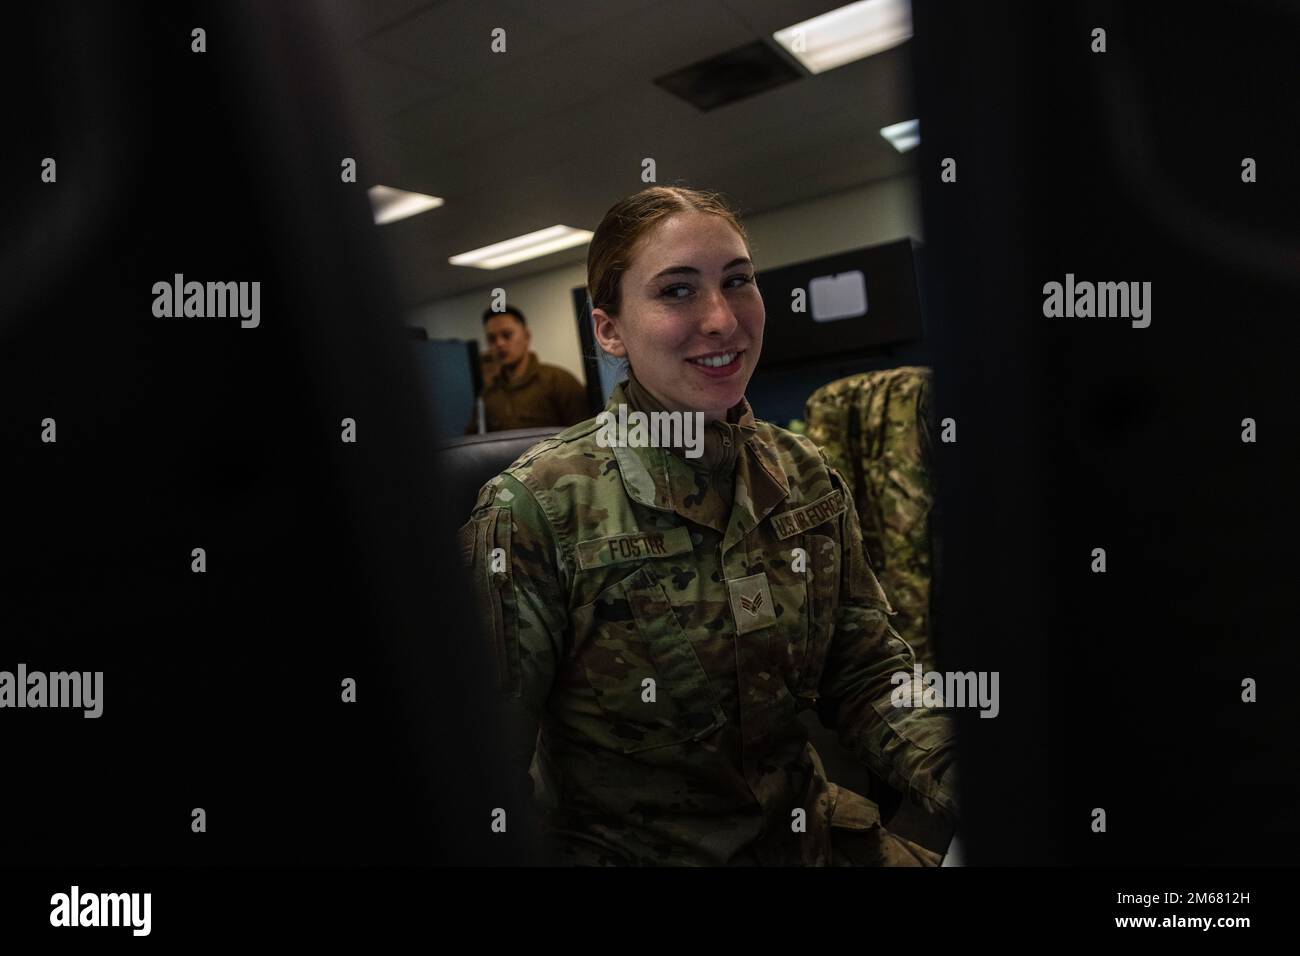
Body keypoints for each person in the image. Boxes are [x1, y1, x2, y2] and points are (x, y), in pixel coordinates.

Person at [458, 186, 960, 865]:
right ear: (609, 330)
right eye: (677, 291)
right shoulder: (535, 511)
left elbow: (867, 669)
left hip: (810, 838)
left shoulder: (805, 475)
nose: (723, 318)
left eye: (738, 282)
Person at [466, 305, 590, 432]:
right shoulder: (488, 395)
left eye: (507, 335)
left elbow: (585, 435)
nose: (499, 344)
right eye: (492, 339)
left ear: (526, 336)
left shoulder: (559, 381)